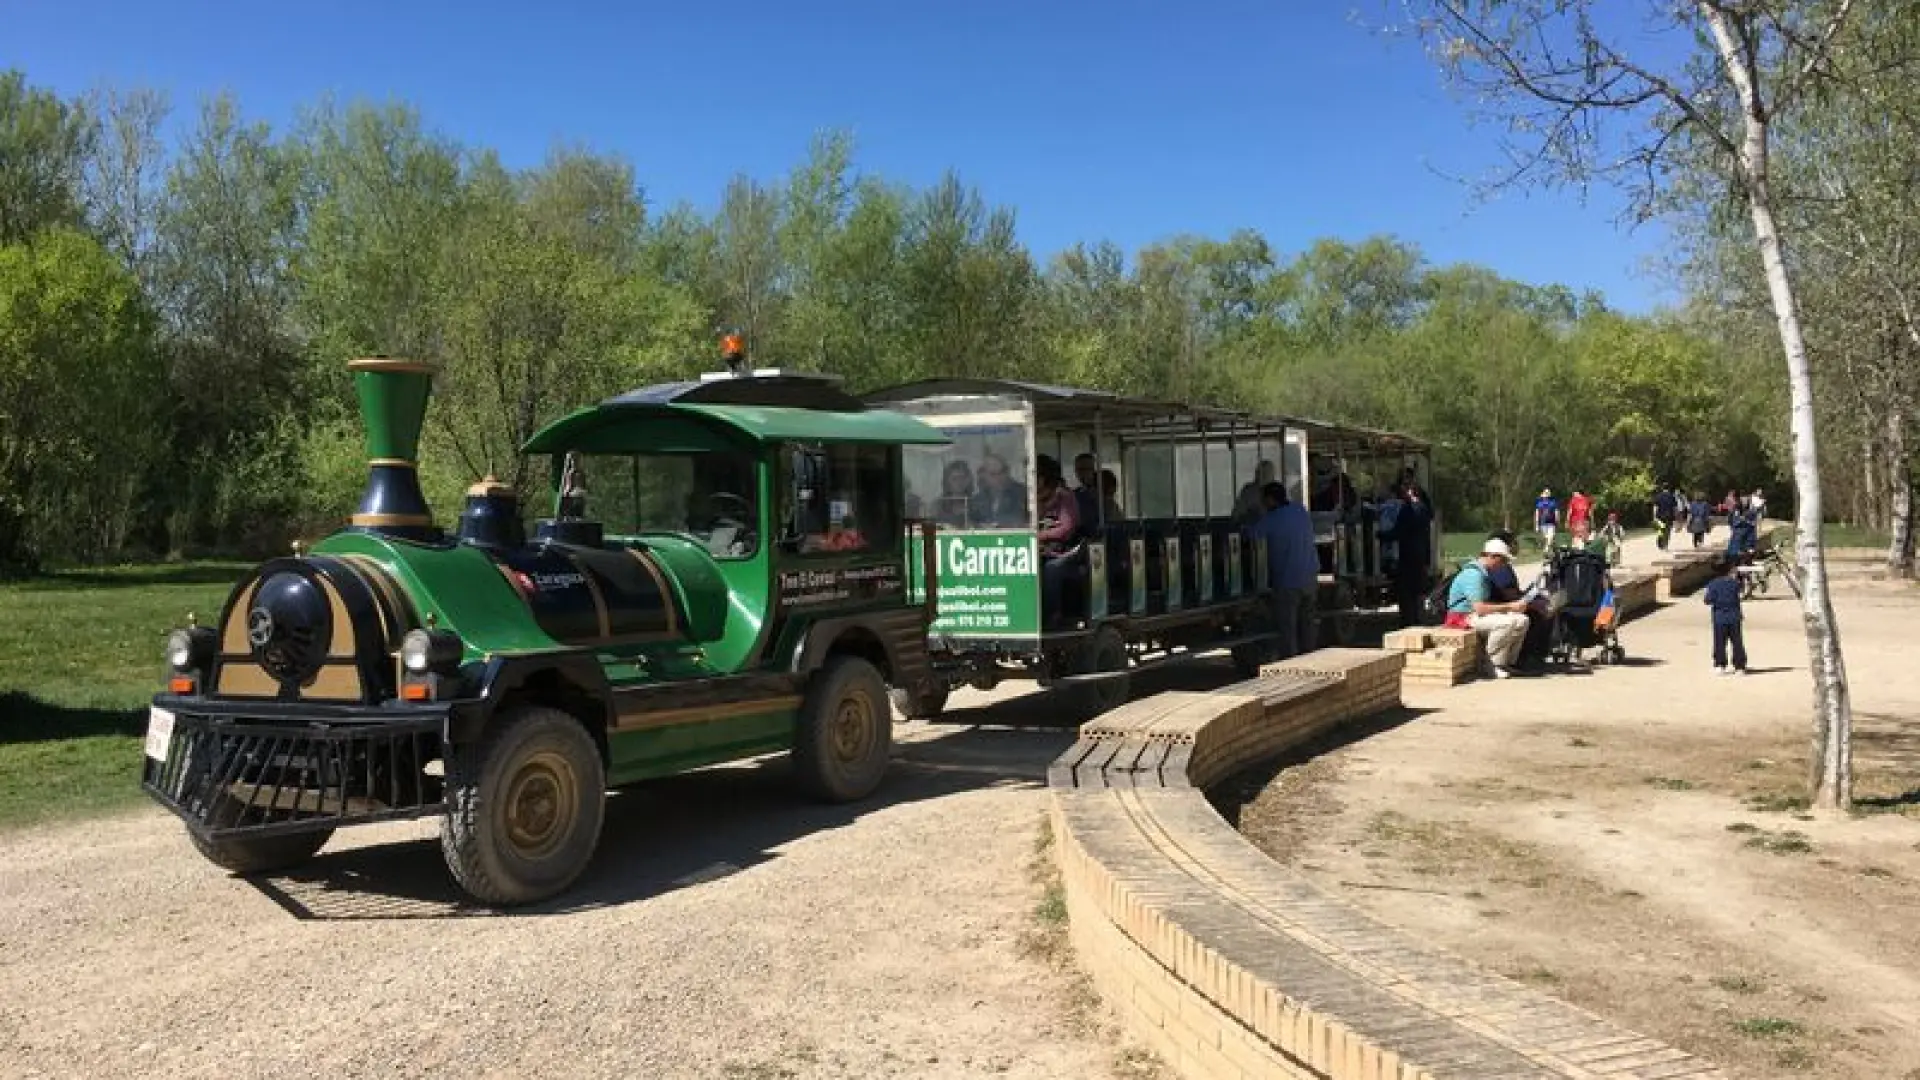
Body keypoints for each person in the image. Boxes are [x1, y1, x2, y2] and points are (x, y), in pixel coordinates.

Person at [1247, 481, 1319, 659]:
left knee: (1288, 628)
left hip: (1288, 582)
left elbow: (1251, 535)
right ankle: (1311, 659)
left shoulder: (1271, 520)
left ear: (1270, 500)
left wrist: (1253, 517)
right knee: (1307, 624)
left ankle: (1292, 665)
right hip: (1310, 576)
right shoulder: (1299, 510)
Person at [1444, 537, 1531, 678]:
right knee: (1506, 623)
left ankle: (1507, 663)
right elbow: (1480, 608)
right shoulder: (1474, 575)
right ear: (1492, 556)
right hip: (1462, 618)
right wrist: (1510, 607)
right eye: (1502, 560)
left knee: (1522, 620)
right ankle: (1491, 664)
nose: (1504, 565)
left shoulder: (1483, 573)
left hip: (1473, 615)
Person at [1034, 456, 1082, 628]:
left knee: (1051, 570)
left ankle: (1051, 615)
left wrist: (1039, 536)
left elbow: (1067, 528)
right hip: (1032, 548)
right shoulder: (1029, 497)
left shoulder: (1064, 497)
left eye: (1035, 475)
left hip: (1061, 550)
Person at [1386, 480, 1433, 628]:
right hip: (1421, 555)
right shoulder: (1425, 510)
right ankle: (1419, 619)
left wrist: (1381, 535)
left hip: (1407, 555)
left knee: (1405, 591)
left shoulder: (1408, 509)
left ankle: (1407, 622)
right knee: (1418, 590)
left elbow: (1399, 531)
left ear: (1410, 493)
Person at [1703, 558, 1748, 674]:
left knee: (1719, 642)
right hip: (1734, 617)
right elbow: (1742, 590)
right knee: (1737, 642)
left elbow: (1707, 600)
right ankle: (1739, 666)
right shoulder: (1734, 583)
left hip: (1719, 617)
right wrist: (1739, 577)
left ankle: (1720, 664)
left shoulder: (1713, 584)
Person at [970, 453, 1029, 527]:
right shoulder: (979, 499)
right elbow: (972, 523)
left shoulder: (1022, 493)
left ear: (1008, 472)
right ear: (984, 475)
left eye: (1002, 472)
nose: (999, 478)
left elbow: (1021, 520)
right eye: (993, 474)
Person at [933, 460, 975, 528]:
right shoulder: (939, 504)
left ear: (968, 480)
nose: (959, 482)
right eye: (954, 479)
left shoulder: (976, 503)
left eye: (962, 478)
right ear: (947, 481)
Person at [1235, 460, 1278, 526]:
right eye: (1260, 473)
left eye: (1265, 474)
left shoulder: (1278, 490)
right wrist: (1251, 516)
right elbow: (1236, 516)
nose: (1262, 476)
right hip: (1253, 530)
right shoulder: (1248, 491)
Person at [1653, 483, 1679, 551]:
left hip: (1660, 517)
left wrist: (1654, 516)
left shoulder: (1658, 496)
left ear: (1662, 488)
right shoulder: (1672, 496)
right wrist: (1676, 517)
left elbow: (1655, 507)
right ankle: (1665, 546)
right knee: (1667, 531)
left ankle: (1660, 543)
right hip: (1669, 517)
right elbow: (1675, 508)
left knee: (1661, 530)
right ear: (1668, 488)